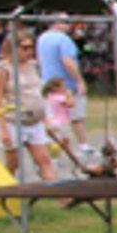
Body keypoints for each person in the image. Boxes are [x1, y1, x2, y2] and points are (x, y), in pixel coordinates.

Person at [0, 29, 58, 180]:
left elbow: (39, 94)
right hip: (12, 121)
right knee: (13, 163)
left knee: (44, 160)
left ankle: (57, 192)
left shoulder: (33, 66)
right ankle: (5, 187)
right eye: (25, 48)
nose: (29, 52)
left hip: (34, 120)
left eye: (31, 47)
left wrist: (47, 119)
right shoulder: (2, 70)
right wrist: (3, 129)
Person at [35, 19, 93, 158]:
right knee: (76, 116)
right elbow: (68, 61)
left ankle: (54, 151)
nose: (68, 25)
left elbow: (39, 60)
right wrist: (79, 80)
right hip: (66, 84)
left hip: (48, 83)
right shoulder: (64, 39)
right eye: (65, 22)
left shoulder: (41, 39)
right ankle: (83, 146)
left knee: (52, 118)